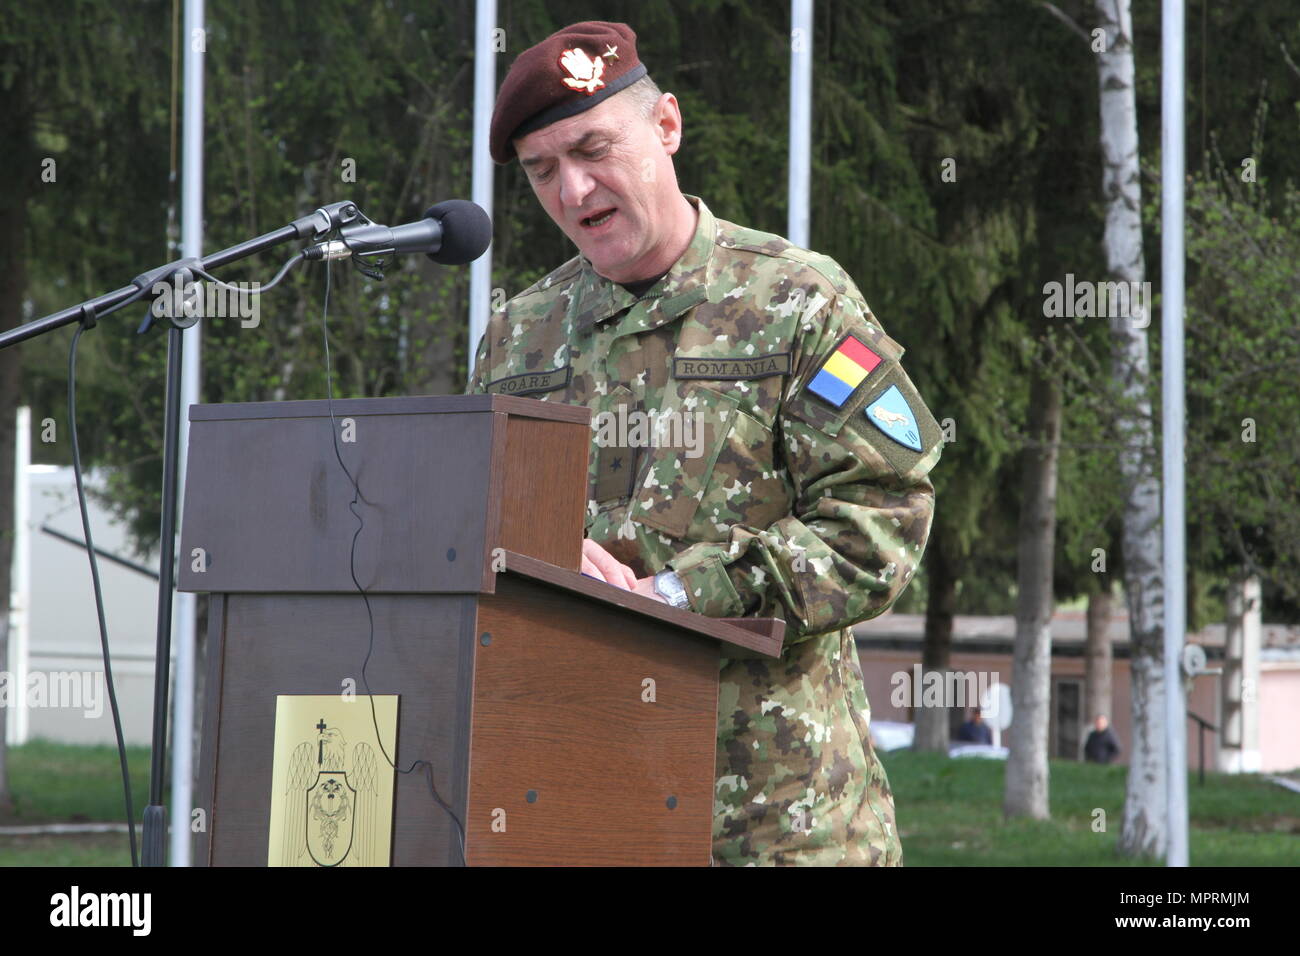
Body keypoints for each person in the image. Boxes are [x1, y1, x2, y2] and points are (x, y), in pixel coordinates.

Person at [467, 21, 942, 865]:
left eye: (593, 149)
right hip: (581, 818)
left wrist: (683, 596)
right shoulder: (517, 339)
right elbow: (473, 527)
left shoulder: (798, 301)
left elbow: (877, 526)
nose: (575, 190)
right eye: (544, 171)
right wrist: (534, 550)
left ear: (668, 126)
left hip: (777, 828)